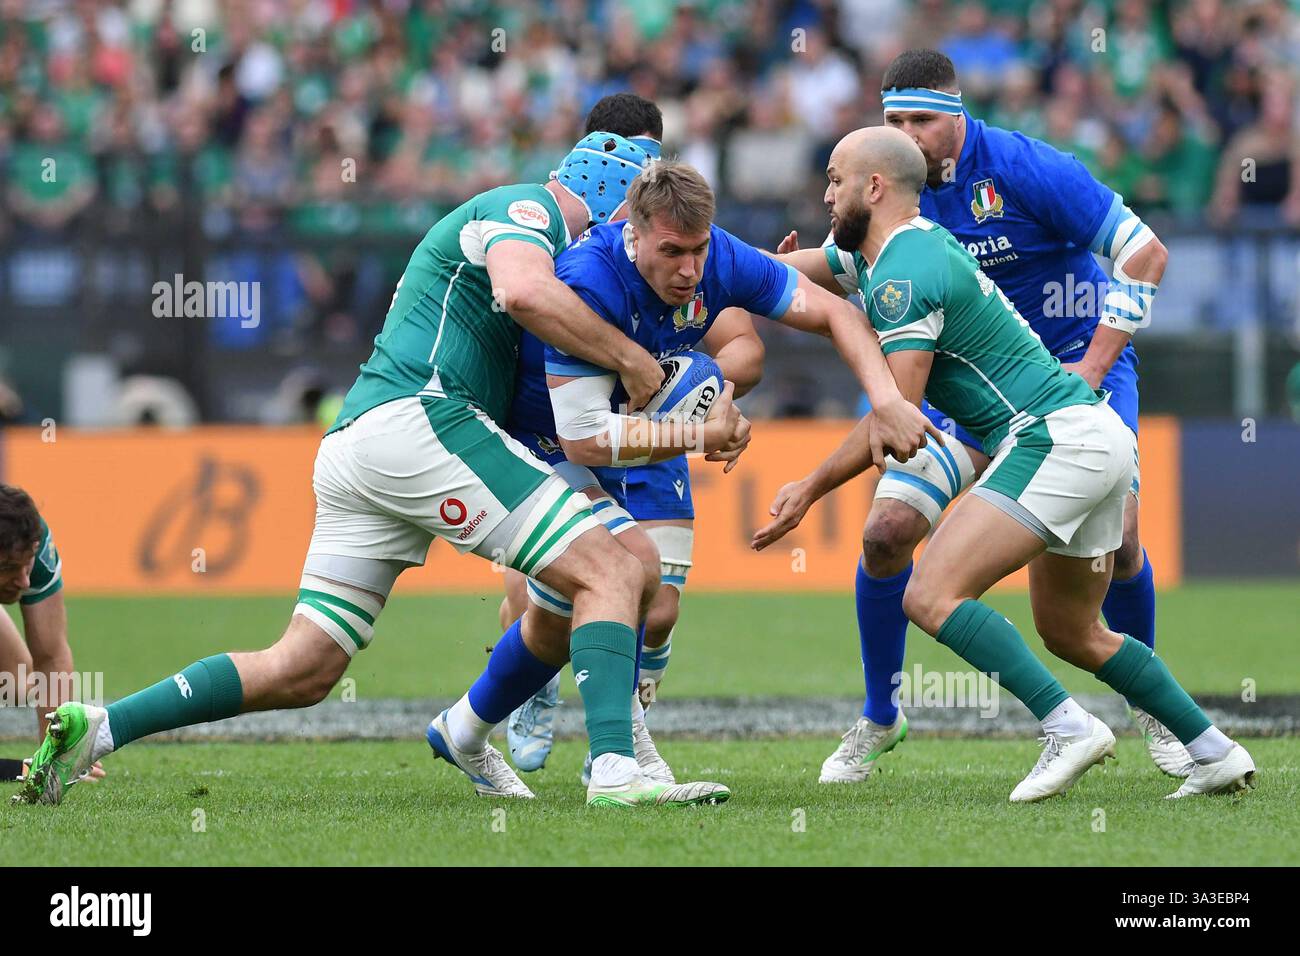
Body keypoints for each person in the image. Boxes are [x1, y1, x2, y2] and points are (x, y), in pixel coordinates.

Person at [14, 132, 719, 810]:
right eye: (625, 229)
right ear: (610, 207)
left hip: (361, 441)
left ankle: (98, 728)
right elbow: (523, 294)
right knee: (618, 567)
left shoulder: (549, 244)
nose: (620, 253)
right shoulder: (524, 209)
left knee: (304, 667)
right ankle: (616, 772)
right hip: (425, 420)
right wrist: (632, 360)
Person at [758, 126, 1255, 802]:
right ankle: (1212, 748)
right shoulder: (902, 250)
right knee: (1074, 631)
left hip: (1050, 440)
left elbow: (899, 422)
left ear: (874, 188)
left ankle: (1067, 727)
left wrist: (810, 486)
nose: (824, 193)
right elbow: (769, 273)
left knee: (929, 596)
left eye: (835, 179)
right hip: (1092, 435)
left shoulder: (906, 273)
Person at [452, 157, 941, 795]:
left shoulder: (720, 259)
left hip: (635, 430)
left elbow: (836, 315)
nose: (689, 269)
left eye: (699, 250)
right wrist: (705, 431)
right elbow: (585, 439)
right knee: (622, 573)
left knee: (628, 604)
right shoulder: (586, 279)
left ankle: (464, 730)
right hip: (546, 440)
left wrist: (886, 400)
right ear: (632, 230)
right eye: (673, 252)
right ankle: (621, 763)